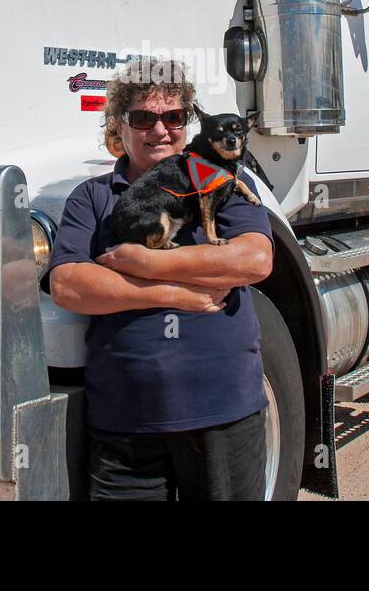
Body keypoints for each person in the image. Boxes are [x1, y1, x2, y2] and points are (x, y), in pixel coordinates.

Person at [46, 59, 275, 501]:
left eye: (173, 117)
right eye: (142, 118)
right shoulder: (92, 197)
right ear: (119, 125)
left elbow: (255, 260)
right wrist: (176, 293)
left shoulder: (222, 180)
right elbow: (68, 285)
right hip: (125, 424)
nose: (160, 130)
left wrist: (144, 263)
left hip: (223, 410)